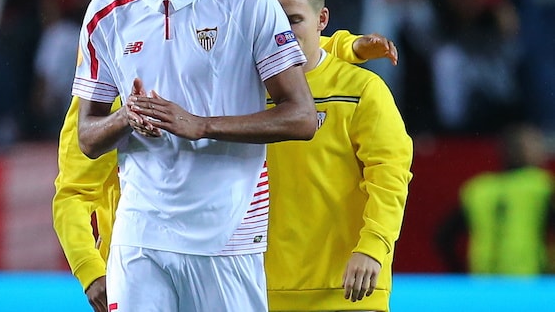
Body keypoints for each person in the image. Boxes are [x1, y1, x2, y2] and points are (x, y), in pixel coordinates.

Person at [70, 0, 320, 312]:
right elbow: (87, 139)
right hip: (140, 236)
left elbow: (301, 117)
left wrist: (201, 125)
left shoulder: (247, 1)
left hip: (227, 235)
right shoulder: (106, 15)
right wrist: (126, 116)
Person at [53, 26, 398, 311]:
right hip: (143, 277)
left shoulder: (205, 70)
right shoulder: (105, 99)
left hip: (215, 273)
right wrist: (91, 271)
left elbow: (277, 38)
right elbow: (73, 192)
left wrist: (342, 46)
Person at [263, 0, 413, 312]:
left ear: (322, 20)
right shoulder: (245, 91)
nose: (281, 33)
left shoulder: (362, 91)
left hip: (348, 290)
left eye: (294, 20)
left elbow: (390, 178)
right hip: (261, 292)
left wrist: (373, 247)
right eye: (272, 21)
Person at [435, 123, 555, 275]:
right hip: (529, 281)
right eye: (536, 144)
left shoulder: (479, 190)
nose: (542, 151)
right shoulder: (541, 187)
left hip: (484, 283)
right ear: (521, 151)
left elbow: (443, 237)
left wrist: (459, 273)